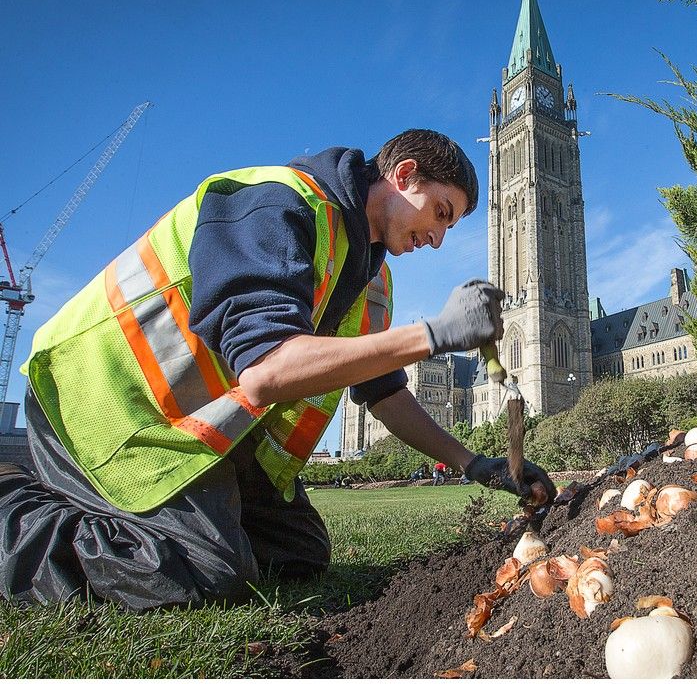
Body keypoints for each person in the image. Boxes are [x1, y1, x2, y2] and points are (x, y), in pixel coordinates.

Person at [0, 129, 555, 610]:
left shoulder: (371, 279)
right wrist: (434, 335)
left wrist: (473, 462)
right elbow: (265, 372)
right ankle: (14, 510)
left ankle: (186, 517)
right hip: (100, 401)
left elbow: (383, 393)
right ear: (403, 174)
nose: (437, 239)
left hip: (189, 427)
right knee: (209, 568)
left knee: (298, 556)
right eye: (440, 214)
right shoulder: (277, 205)